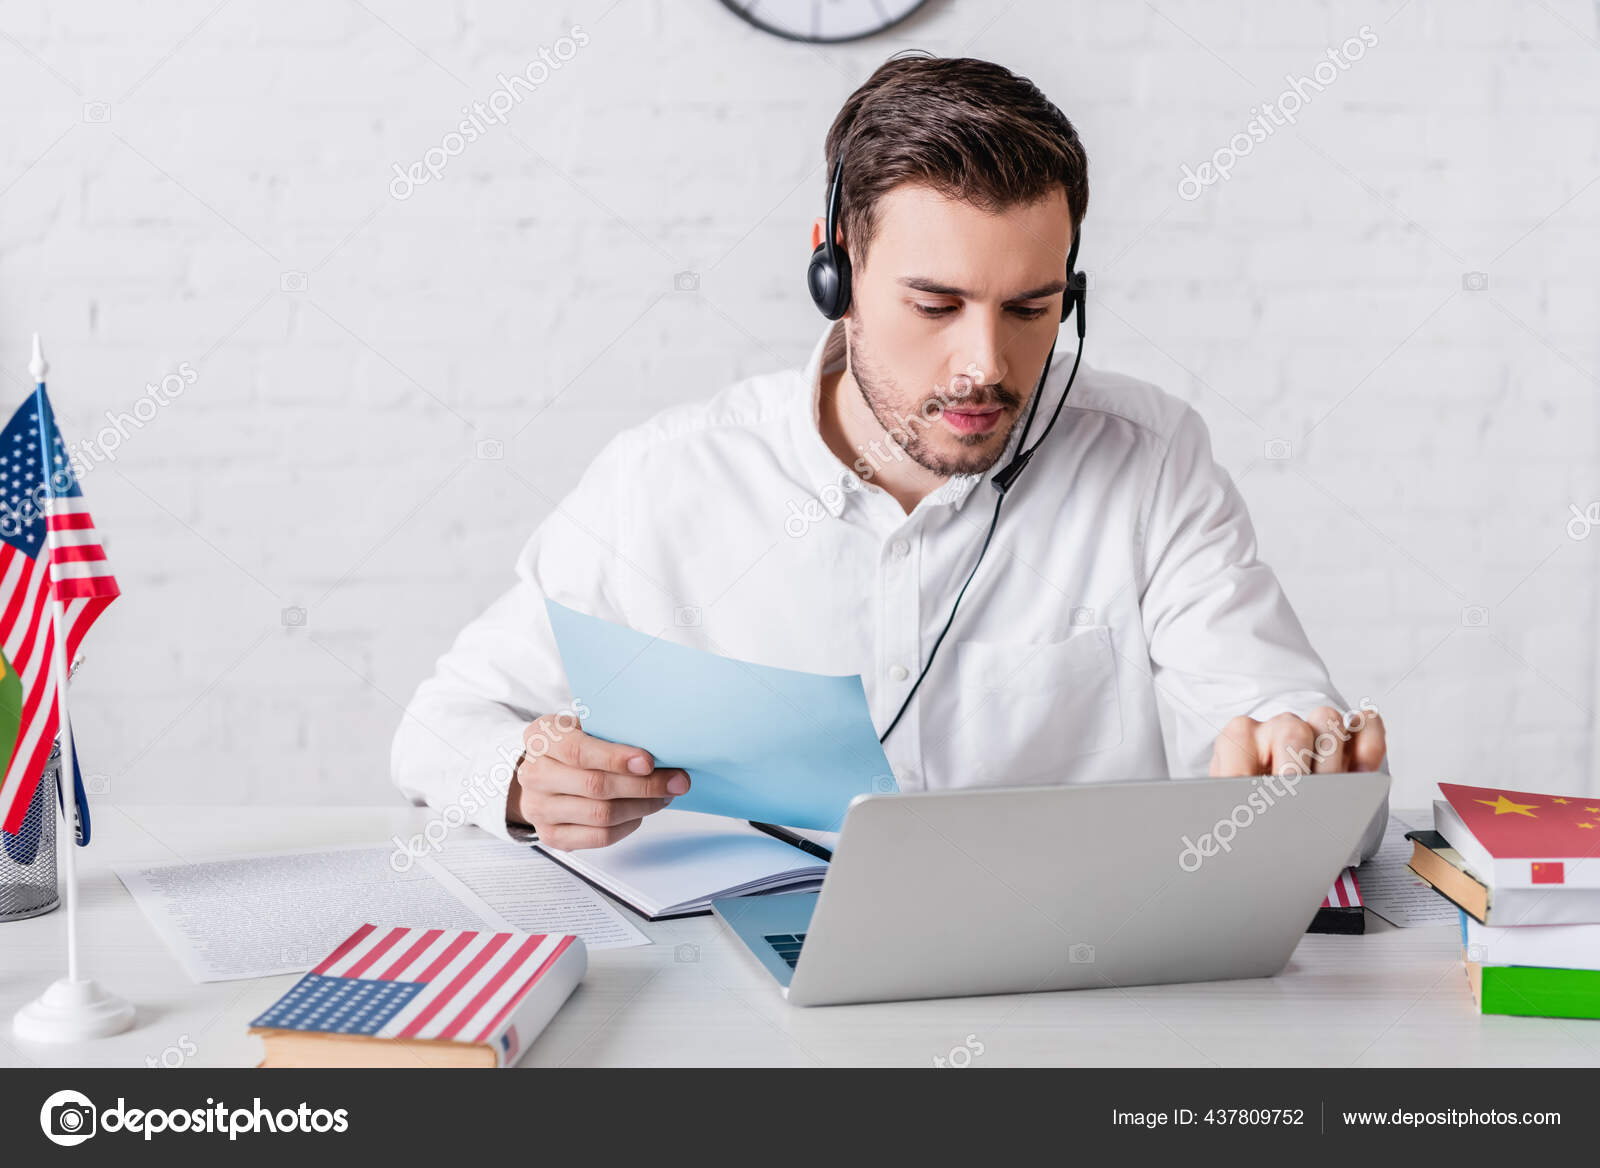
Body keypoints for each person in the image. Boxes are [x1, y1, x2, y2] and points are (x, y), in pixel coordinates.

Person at [393, 53, 1388, 855]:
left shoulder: (1151, 463)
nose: (985, 365)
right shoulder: (665, 480)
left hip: (1069, 996)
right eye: (936, 305)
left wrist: (1299, 765)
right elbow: (442, 724)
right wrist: (523, 780)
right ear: (834, 268)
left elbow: (1277, 725)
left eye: (1030, 309)